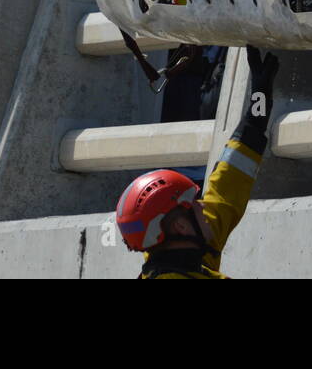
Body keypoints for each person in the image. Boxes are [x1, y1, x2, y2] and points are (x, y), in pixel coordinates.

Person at [116, 47, 278, 278]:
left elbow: (227, 187)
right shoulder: (187, 260)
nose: (203, 205)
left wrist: (258, 105)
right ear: (181, 227)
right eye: (195, 203)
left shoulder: (192, 251)